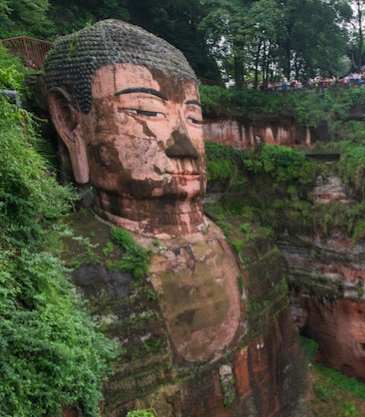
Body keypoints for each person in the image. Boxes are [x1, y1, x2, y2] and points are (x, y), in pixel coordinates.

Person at [43, 20, 242, 364]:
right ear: (70, 122)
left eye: (193, 119)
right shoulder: (67, 278)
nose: (185, 147)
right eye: (147, 111)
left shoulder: (245, 242)